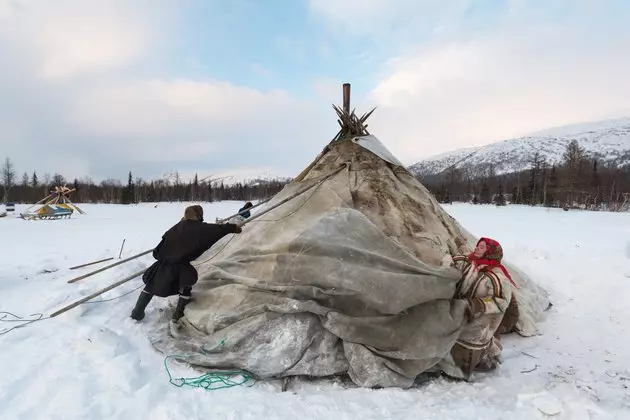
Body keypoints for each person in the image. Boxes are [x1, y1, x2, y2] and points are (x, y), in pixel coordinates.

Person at [130, 205, 243, 322]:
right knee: (185, 285)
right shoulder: (200, 228)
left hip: (163, 263)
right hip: (180, 266)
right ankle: (177, 316)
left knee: (151, 284)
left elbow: (157, 251)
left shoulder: (176, 228)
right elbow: (217, 229)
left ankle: (136, 313)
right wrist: (233, 228)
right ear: (199, 216)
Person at [448, 237, 518, 379]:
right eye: (477, 246)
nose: (476, 249)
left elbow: (501, 301)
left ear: (490, 252)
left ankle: (470, 361)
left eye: (481, 247)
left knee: (463, 346)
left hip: (479, 319)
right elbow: (450, 265)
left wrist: (477, 305)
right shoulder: (468, 262)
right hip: (458, 310)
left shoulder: (497, 277)